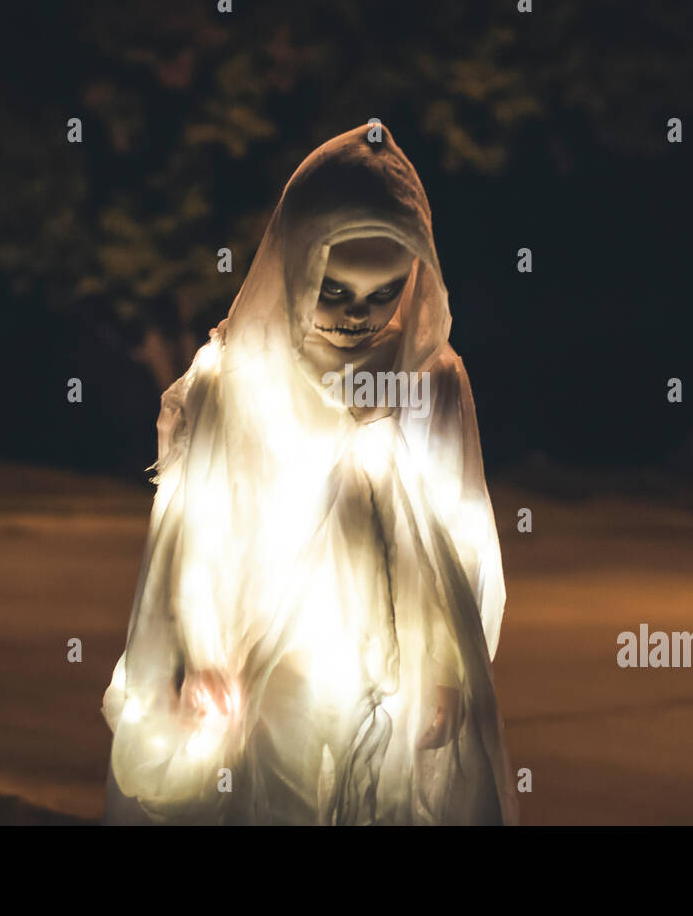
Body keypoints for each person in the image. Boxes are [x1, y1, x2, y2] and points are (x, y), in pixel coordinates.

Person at [102, 124, 517, 825]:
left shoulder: (431, 378)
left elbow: (464, 529)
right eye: (334, 289)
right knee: (279, 798)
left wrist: (451, 668)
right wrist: (201, 649)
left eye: (384, 292)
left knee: (383, 802)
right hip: (272, 653)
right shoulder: (235, 376)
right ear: (296, 263)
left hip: (399, 655)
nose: (358, 314)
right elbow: (198, 527)